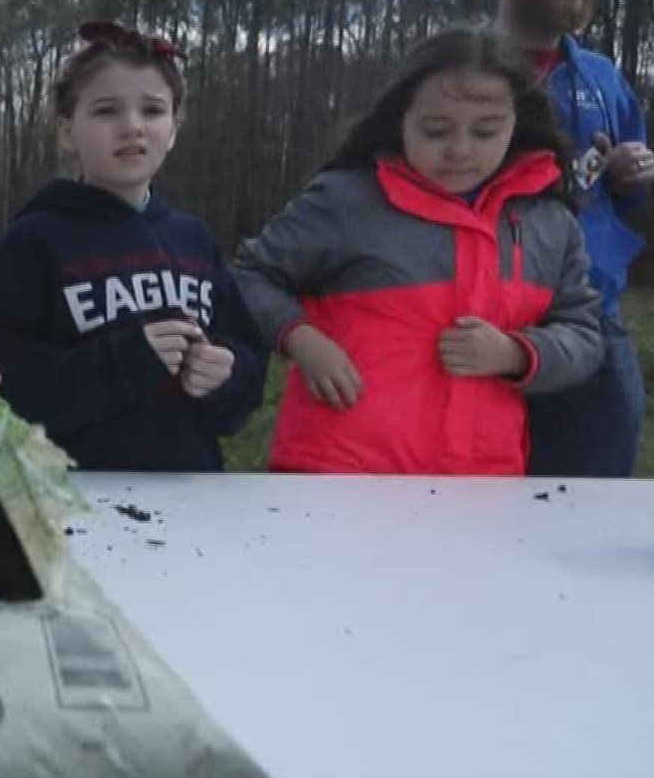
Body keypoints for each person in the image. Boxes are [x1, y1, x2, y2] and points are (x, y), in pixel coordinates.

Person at [231, 27, 603, 476]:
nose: (460, 150)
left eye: (486, 132)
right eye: (435, 130)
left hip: (481, 483)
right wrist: (303, 340)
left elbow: (584, 335)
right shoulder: (346, 202)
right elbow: (250, 274)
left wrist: (516, 353)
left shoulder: (551, 223)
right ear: (400, 118)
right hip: (338, 473)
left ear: (516, 123)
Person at [0, 21, 266, 471]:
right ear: (67, 131)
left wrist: (226, 375)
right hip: (70, 496)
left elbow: (249, 371)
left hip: (194, 496)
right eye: (106, 111)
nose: (132, 127)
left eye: (153, 110)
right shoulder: (36, 239)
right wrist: (124, 363)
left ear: (175, 128)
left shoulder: (194, 240)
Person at [489, 0, 654, 477]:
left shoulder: (604, 77)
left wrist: (633, 176)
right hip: (482, 321)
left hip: (589, 316)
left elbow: (626, 195)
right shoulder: (458, 72)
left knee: (594, 502)